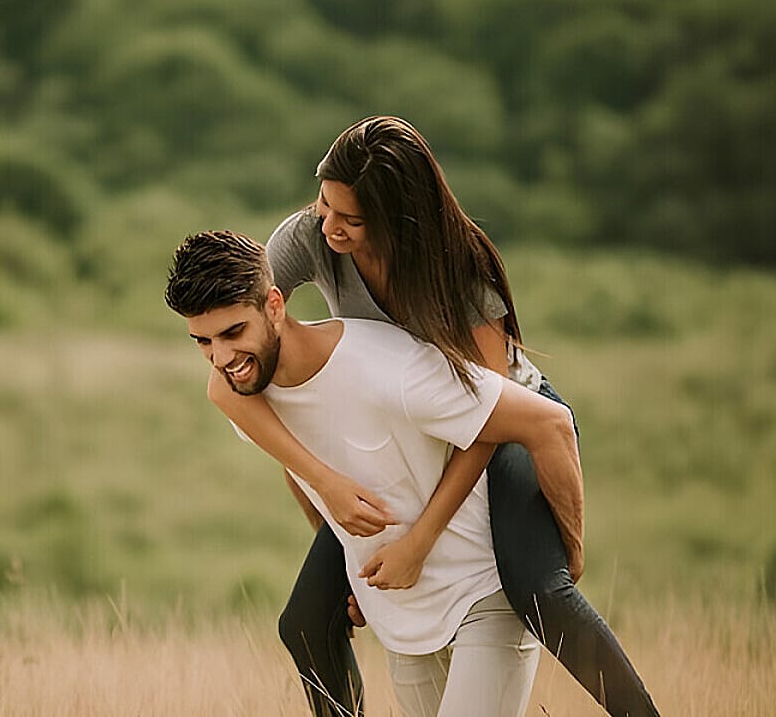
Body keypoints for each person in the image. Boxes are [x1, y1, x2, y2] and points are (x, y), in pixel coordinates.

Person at [209, 117, 659, 716]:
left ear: (396, 217)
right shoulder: (311, 236)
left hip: (504, 425)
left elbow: (484, 420)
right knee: (305, 620)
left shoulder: (460, 273)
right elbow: (249, 343)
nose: (330, 226)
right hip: (413, 422)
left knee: (537, 587)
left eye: (352, 218)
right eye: (324, 204)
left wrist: (420, 541)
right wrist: (338, 523)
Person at [165, 229, 590, 716]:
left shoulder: (386, 366)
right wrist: (351, 559)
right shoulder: (258, 389)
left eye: (232, 333)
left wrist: (568, 555)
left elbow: (547, 421)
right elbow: (296, 468)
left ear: (275, 305)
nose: (219, 359)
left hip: (481, 590)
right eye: (202, 342)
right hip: (406, 614)